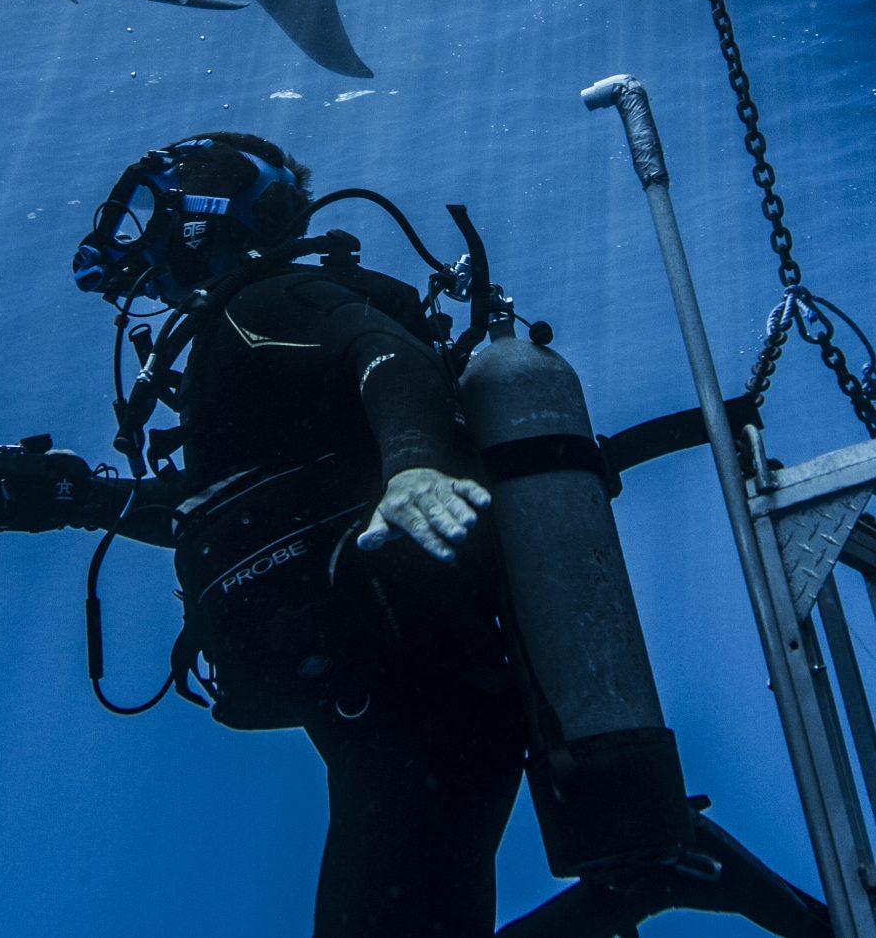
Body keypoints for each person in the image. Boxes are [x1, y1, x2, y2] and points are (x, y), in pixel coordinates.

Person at [53, 132, 826, 938]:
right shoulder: (241, 332)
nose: (135, 232)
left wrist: (413, 468)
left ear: (206, 216)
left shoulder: (266, 305)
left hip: (414, 702)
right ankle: (652, 876)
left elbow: (386, 356)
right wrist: (74, 499)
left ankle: (656, 878)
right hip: (395, 698)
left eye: (150, 208)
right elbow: (237, 516)